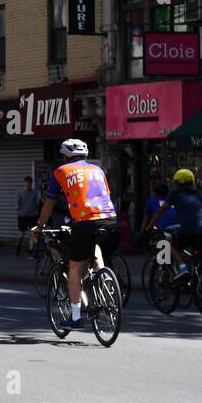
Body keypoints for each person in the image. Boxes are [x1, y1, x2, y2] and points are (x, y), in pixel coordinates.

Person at [33, 138, 119, 332]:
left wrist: (40, 226)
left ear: (64, 156)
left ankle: (76, 316)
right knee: (93, 242)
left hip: (85, 220)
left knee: (75, 267)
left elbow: (49, 204)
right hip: (110, 218)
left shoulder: (61, 172)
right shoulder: (98, 170)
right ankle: (103, 275)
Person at [145, 169, 202, 274]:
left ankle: (182, 267)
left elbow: (160, 212)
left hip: (189, 230)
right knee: (200, 261)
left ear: (177, 183)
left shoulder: (175, 195)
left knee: (168, 244)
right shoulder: (198, 194)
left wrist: (149, 227)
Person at [15, 175, 41, 258]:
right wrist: (18, 210)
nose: (28, 184)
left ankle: (32, 249)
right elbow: (17, 203)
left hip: (33, 215)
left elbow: (38, 201)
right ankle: (18, 246)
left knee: (33, 233)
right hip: (22, 216)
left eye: (30, 183)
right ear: (24, 183)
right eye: (27, 183)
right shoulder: (19, 192)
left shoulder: (34, 192)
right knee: (21, 234)